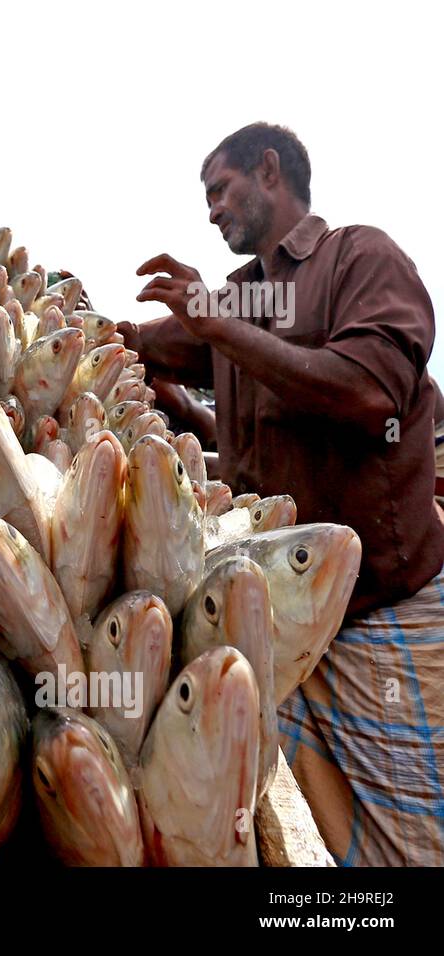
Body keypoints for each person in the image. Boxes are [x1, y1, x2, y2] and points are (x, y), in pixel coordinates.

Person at [121, 122, 444, 866]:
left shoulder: (361, 258)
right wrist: (97, 331)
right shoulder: (236, 299)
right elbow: (157, 342)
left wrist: (223, 330)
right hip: (284, 639)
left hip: (379, 620)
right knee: (340, 847)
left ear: (271, 171)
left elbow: (371, 392)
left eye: (220, 191)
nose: (209, 212)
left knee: (419, 838)